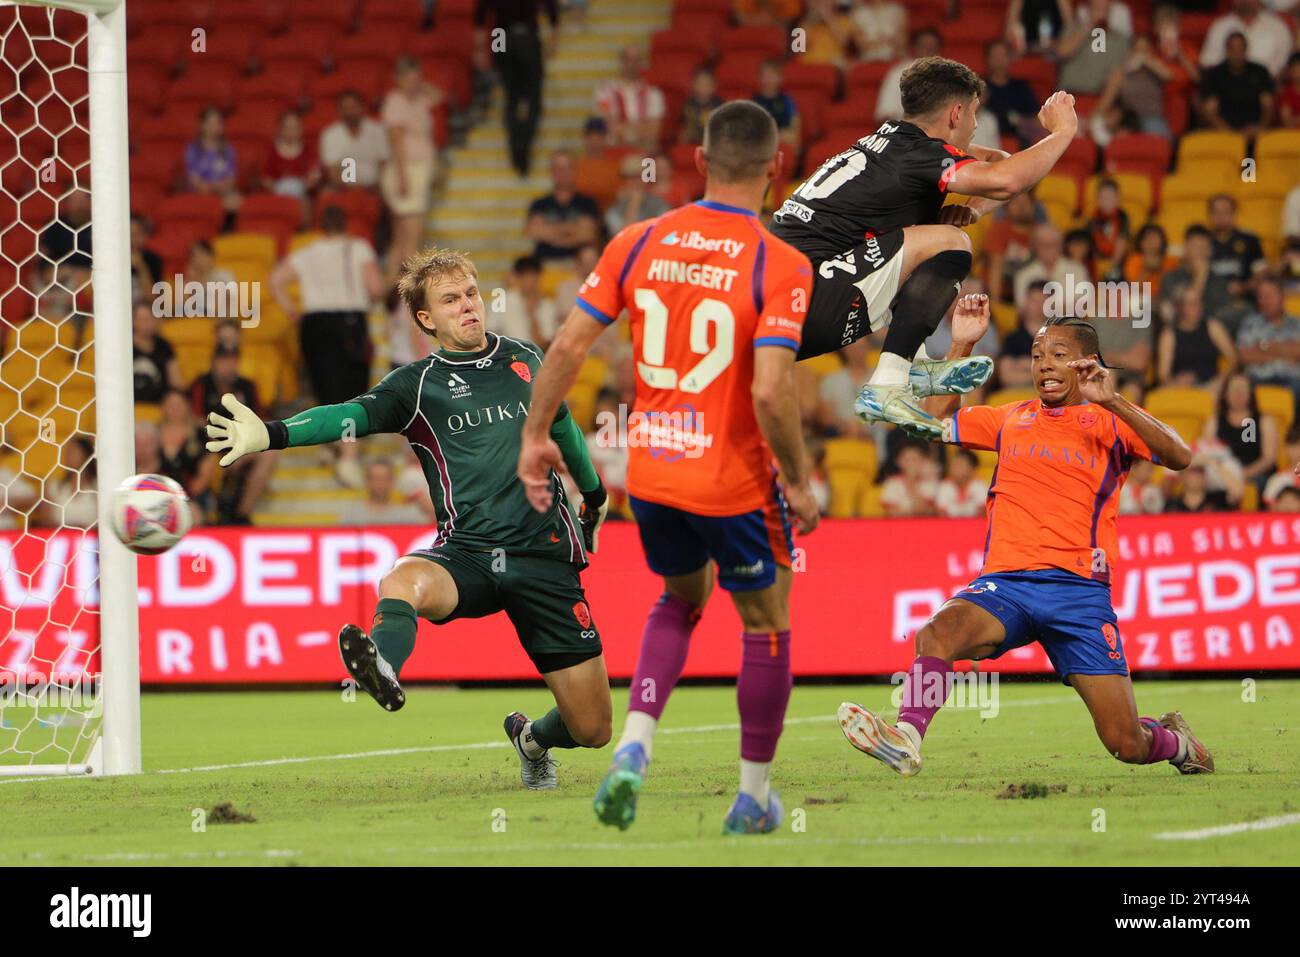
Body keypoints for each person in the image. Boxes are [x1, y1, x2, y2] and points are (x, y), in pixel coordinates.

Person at [206, 246, 614, 791]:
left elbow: (560, 424)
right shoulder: (416, 385)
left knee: (593, 728)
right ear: (426, 320)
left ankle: (532, 739)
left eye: (470, 293)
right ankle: (387, 667)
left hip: (544, 554)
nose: (468, 306)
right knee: (401, 580)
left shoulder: (527, 360)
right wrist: (274, 434)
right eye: (451, 300)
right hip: (467, 553)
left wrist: (593, 491)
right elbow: (348, 415)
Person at [517, 101, 819, 834]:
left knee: (681, 598)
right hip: (732, 481)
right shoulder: (779, 261)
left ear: (698, 161)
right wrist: (802, 480)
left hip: (651, 476)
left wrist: (534, 438)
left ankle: (633, 749)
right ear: (777, 168)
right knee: (766, 621)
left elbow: (564, 348)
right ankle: (752, 798)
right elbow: (773, 388)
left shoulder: (638, 238)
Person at [836, 303, 1215, 780]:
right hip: (1007, 586)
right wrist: (962, 345)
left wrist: (1113, 400)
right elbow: (932, 424)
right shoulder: (1010, 417)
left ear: (1086, 363)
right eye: (1038, 356)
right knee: (937, 633)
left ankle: (1178, 744)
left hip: (1078, 594)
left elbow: (1180, 456)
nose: (1044, 366)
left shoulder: (1112, 421)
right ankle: (906, 738)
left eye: (1058, 355)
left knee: (1124, 743)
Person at [771, 56, 1081, 439]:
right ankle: (887, 383)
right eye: (974, 113)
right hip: (805, 298)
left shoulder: (893, 143)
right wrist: (1063, 132)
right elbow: (1008, 180)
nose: (976, 125)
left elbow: (1000, 165)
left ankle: (912, 363)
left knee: (930, 237)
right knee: (951, 243)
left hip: (786, 305)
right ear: (956, 113)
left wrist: (971, 207)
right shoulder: (918, 156)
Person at [191, 337, 277, 524]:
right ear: (214, 362)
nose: (229, 365)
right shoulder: (202, 385)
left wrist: (241, 448)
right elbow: (194, 420)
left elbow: (260, 421)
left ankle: (243, 514)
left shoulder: (247, 386)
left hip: (241, 445)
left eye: (233, 360)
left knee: (269, 452)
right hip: (208, 445)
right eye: (224, 360)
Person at [476, 0, 557, 177]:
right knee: (532, 99)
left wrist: (484, 50)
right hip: (525, 33)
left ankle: (517, 146)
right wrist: (553, 38)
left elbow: (481, 15)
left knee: (511, 98)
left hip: (501, 34)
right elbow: (552, 9)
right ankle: (524, 144)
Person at [380, 57, 444, 278]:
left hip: (416, 171)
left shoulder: (419, 99)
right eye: (408, 79)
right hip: (407, 171)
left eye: (417, 78)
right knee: (412, 238)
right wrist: (403, 175)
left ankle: (391, 291)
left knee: (400, 239)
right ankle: (407, 292)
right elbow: (396, 139)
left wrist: (418, 85)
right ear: (398, 80)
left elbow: (439, 95)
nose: (413, 83)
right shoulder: (395, 101)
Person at [1204, 369, 1281, 494]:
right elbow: (1208, 454)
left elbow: (1268, 459)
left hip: (1257, 474)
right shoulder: (1214, 421)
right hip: (1224, 473)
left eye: (1243, 389)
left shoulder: (1264, 420)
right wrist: (1229, 475)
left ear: (1250, 393)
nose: (1238, 394)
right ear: (1225, 393)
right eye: (1234, 389)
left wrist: (1242, 474)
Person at [524, 151, 601, 264]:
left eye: (567, 168)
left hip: (578, 266)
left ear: (575, 170)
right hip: (546, 264)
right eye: (558, 168)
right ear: (551, 172)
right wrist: (572, 230)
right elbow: (534, 232)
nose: (563, 173)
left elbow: (588, 234)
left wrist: (550, 231)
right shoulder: (540, 204)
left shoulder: (587, 203)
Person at [1197, 31, 1276, 135]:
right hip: (1224, 132)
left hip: (1255, 131)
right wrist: (1228, 131)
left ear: (1246, 50)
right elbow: (1210, 110)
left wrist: (1259, 128)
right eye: (1232, 49)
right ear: (1226, 51)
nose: (1237, 54)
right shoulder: (1214, 74)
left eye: (1240, 49)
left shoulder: (1260, 71)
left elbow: (1268, 105)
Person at [1157, 286, 1235, 386]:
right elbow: (1163, 375)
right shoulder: (1169, 334)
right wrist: (1176, 383)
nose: (1198, 307)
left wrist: (1220, 381)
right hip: (1182, 389)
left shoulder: (1212, 327)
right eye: (1192, 304)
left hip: (1213, 386)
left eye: (1199, 302)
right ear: (1180, 307)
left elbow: (1234, 360)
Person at [595, 45, 666, 152]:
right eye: (628, 60)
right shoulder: (604, 92)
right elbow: (610, 128)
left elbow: (653, 132)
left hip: (643, 152)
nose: (632, 65)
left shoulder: (654, 94)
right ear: (621, 61)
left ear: (642, 63)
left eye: (636, 60)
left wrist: (624, 129)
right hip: (614, 151)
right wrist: (640, 128)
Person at [1200, 0, 1295, 79]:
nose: (1246, 1)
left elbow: (1287, 64)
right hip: (1227, 89)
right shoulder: (1220, 26)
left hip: (1267, 86)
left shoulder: (1278, 27)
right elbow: (1208, 63)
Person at [318, 90, 391, 190]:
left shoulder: (377, 131)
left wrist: (379, 187)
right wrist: (351, 191)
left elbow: (383, 164)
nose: (350, 112)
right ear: (339, 111)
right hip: (343, 188)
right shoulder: (330, 135)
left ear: (362, 108)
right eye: (345, 108)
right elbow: (332, 170)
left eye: (353, 107)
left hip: (375, 187)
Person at [340, 458, 433, 526]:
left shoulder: (406, 515)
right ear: (367, 481)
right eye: (375, 479)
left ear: (392, 482)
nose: (379, 484)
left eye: (384, 479)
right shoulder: (352, 513)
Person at [184, 107, 240, 213]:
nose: (215, 127)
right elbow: (195, 182)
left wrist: (222, 187)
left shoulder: (228, 149)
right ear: (202, 126)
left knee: (235, 201)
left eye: (218, 123)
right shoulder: (193, 150)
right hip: (201, 194)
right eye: (211, 123)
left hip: (223, 193)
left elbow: (231, 179)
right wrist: (212, 187)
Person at [132, 302, 183, 404]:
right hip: (130, 404)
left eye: (150, 319)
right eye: (142, 319)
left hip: (161, 405)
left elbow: (176, 381)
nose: (146, 324)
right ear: (133, 321)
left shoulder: (163, 346)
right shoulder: (124, 347)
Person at [934, 447, 988, 518]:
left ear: (972, 469)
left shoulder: (980, 486)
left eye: (960, 465)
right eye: (954, 465)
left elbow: (984, 512)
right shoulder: (945, 486)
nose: (955, 469)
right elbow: (940, 513)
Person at [678, 67, 723, 146]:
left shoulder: (720, 104)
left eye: (707, 84)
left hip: (714, 140)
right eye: (700, 83)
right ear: (693, 85)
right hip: (694, 137)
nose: (703, 87)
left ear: (714, 86)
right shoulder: (689, 104)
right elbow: (684, 124)